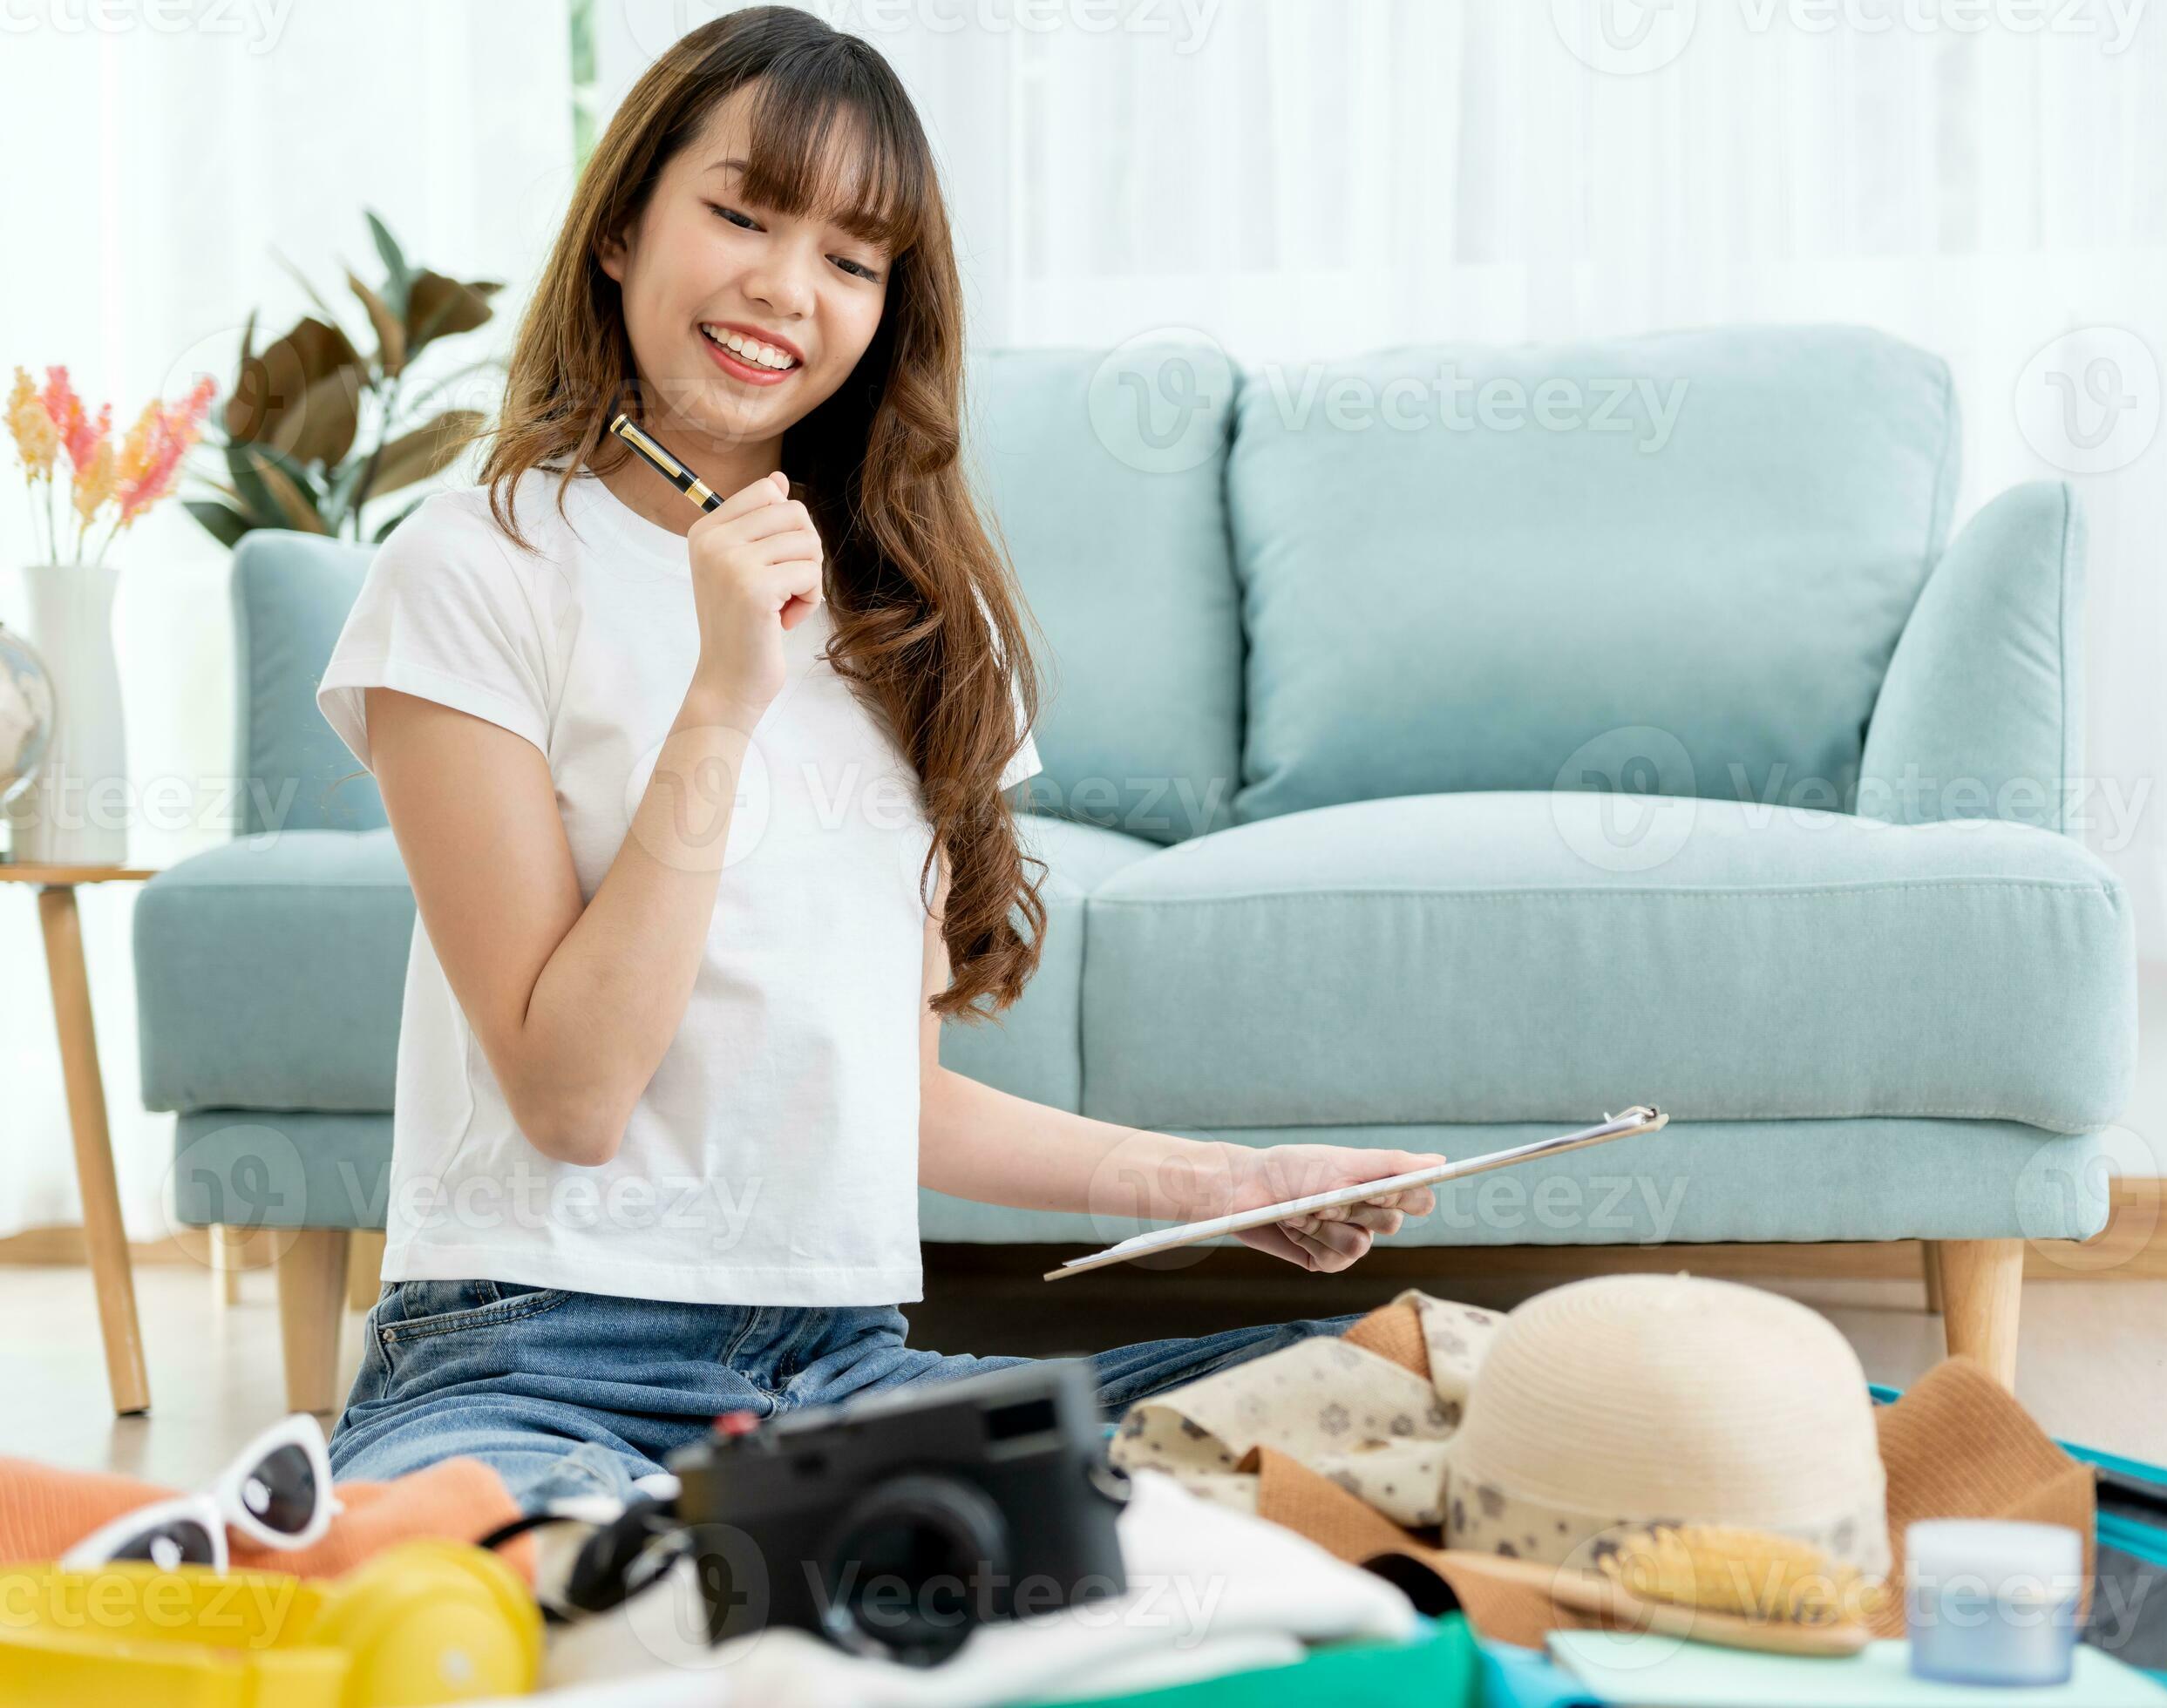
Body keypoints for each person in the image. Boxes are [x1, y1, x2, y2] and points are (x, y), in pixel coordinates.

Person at [313, 6, 1438, 1510]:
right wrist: (722, 696)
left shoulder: (918, 617)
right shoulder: (475, 569)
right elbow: (573, 1097)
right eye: (741, 213)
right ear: (621, 227)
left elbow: (889, 1096)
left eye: (851, 259)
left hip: (836, 1374)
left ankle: (811, 1557)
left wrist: (1224, 1190)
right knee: (562, 1575)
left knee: (1410, 1391)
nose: (788, 287)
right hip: (526, 1367)